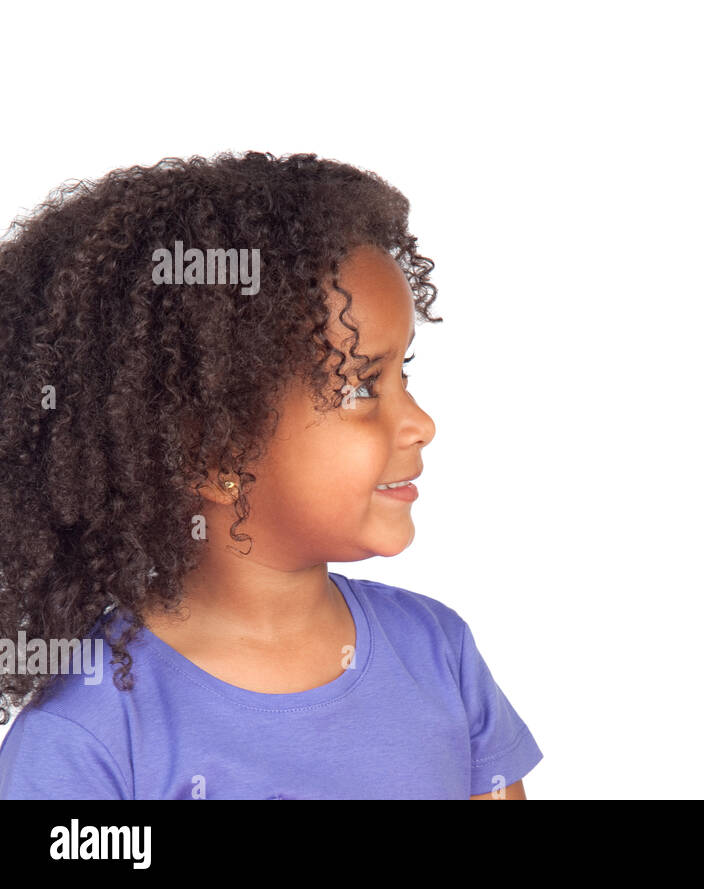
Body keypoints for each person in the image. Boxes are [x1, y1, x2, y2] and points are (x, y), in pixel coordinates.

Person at [0, 152, 541, 799]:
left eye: (405, 375)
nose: (420, 421)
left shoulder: (440, 657)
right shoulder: (89, 733)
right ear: (215, 452)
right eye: (364, 387)